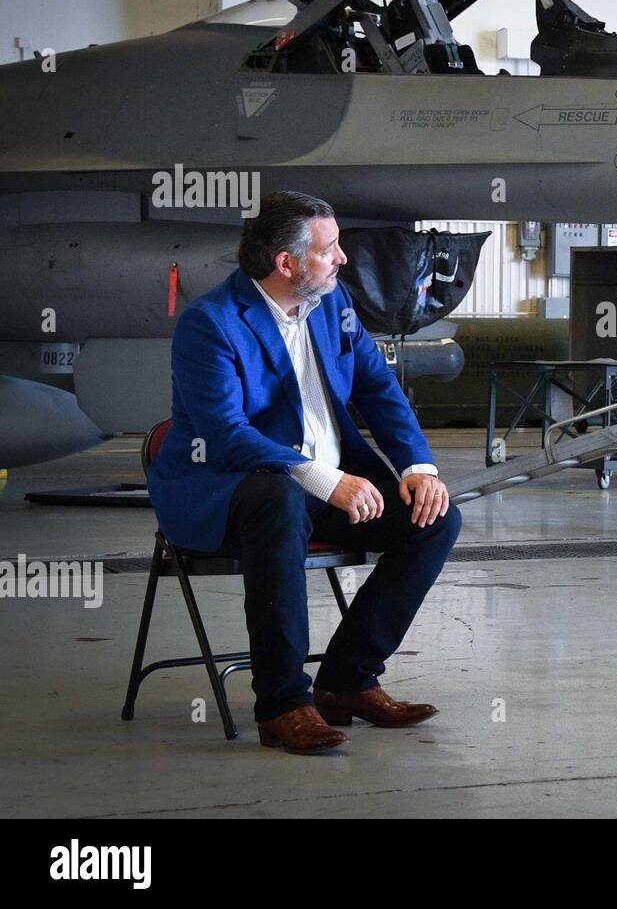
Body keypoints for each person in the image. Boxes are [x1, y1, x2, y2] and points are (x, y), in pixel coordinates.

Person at [147, 190, 461, 753]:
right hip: (226, 490)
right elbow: (226, 435)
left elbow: (377, 388)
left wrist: (418, 466)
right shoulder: (210, 323)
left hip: (327, 488)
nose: (343, 257)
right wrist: (323, 478)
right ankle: (283, 703)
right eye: (329, 248)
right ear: (286, 263)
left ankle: (346, 680)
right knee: (279, 499)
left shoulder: (333, 304)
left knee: (435, 518)